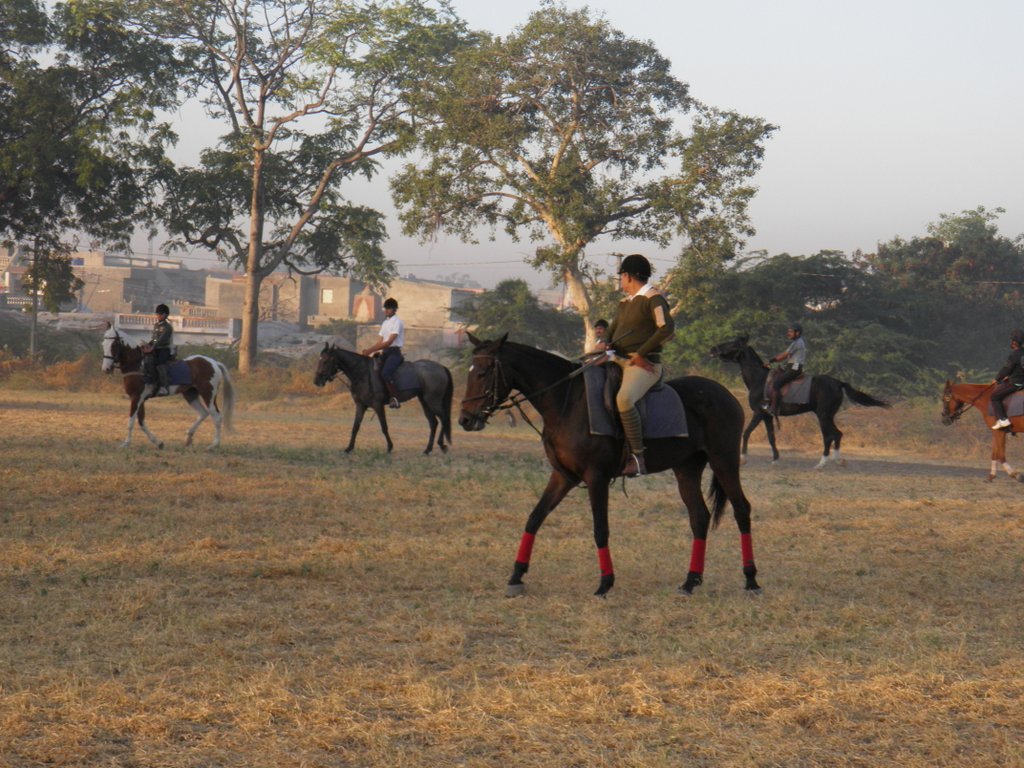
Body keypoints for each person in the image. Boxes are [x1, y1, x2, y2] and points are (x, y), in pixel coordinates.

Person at [597, 254, 674, 477]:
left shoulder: (653, 298)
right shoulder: (625, 303)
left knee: (624, 399)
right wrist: (603, 343)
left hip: (643, 364)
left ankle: (638, 458)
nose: (620, 281)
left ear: (628, 276)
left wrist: (641, 353)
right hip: (617, 359)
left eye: (621, 276)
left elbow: (666, 328)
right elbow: (611, 331)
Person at [361, 297, 405, 408]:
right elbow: (381, 341)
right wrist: (369, 351)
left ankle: (395, 398)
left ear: (394, 309)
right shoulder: (385, 323)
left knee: (386, 373)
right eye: (385, 308)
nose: (386, 310)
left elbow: (389, 342)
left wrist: (370, 350)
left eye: (388, 308)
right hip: (385, 352)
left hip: (394, 352)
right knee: (373, 371)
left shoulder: (397, 322)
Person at [763, 323, 806, 416]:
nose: (788, 333)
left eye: (791, 332)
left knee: (776, 384)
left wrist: (770, 361)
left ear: (797, 333)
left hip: (794, 368)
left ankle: (774, 408)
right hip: (791, 366)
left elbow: (783, 356)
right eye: (788, 331)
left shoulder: (797, 343)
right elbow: (784, 355)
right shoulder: (797, 342)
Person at [990, 330, 1024, 429]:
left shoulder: (1014, 355)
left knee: (994, 396)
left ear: (1014, 342)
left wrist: (997, 379)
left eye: (1011, 341)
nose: (1011, 343)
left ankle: (1003, 420)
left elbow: (1007, 369)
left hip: (1017, 383)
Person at [144, 303, 174, 397]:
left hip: (164, 349)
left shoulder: (168, 327)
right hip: (156, 349)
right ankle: (151, 384)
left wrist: (153, 347)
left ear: (165, 315)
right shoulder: (156, 325)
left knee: (159, 364)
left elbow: (162, 339)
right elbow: (154, 339)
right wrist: (148, 344)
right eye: (157, 314)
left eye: (160, 314)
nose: (158, 316)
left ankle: (164, 387)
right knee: (147, 362)